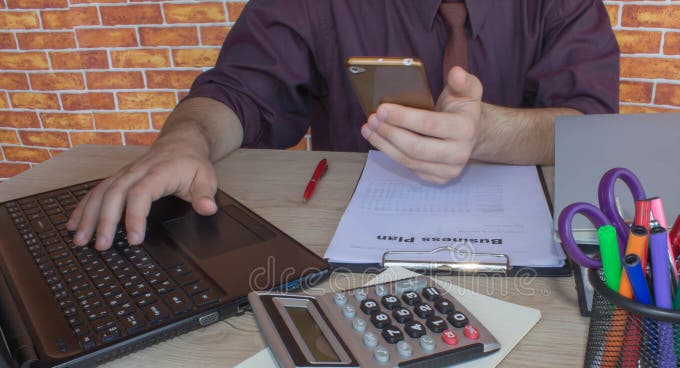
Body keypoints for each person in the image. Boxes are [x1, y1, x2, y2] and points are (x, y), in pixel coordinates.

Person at [67, 0, 619, 250]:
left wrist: (488, 132)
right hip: (345, 246)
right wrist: (184, 140)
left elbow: (589, 122)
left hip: (529, 254)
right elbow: (239, 91)